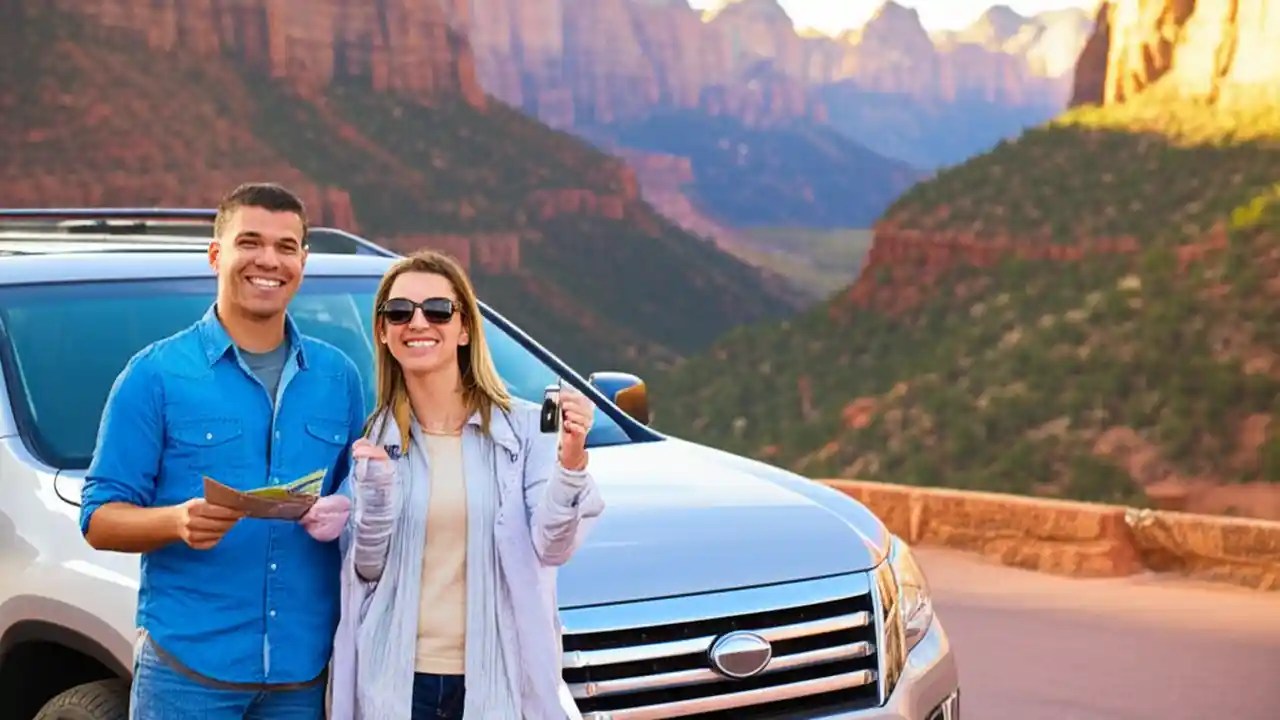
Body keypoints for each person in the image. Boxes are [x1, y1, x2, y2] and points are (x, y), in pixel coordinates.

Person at [80, 183, 366, 718]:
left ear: (303, 261)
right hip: (188, 678)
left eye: (286, 247)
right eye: (250, 242)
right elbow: (98, 519)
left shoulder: (339, 378)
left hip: (305, 679)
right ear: (217, 254)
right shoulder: (155, 375)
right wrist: (175, 522)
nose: (269, 261)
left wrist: (346, 505)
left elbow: (362, 493)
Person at [327, 250, 605, 720]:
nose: (417, 322)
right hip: (397, 682)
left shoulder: (525, 430)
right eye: (398, 312)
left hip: (497, 683)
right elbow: (367, 570)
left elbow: (552, 546)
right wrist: (375, 497)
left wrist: (572, 460)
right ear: (382, 331)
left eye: (437, 309)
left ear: (464, 329)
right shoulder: (375, 437)